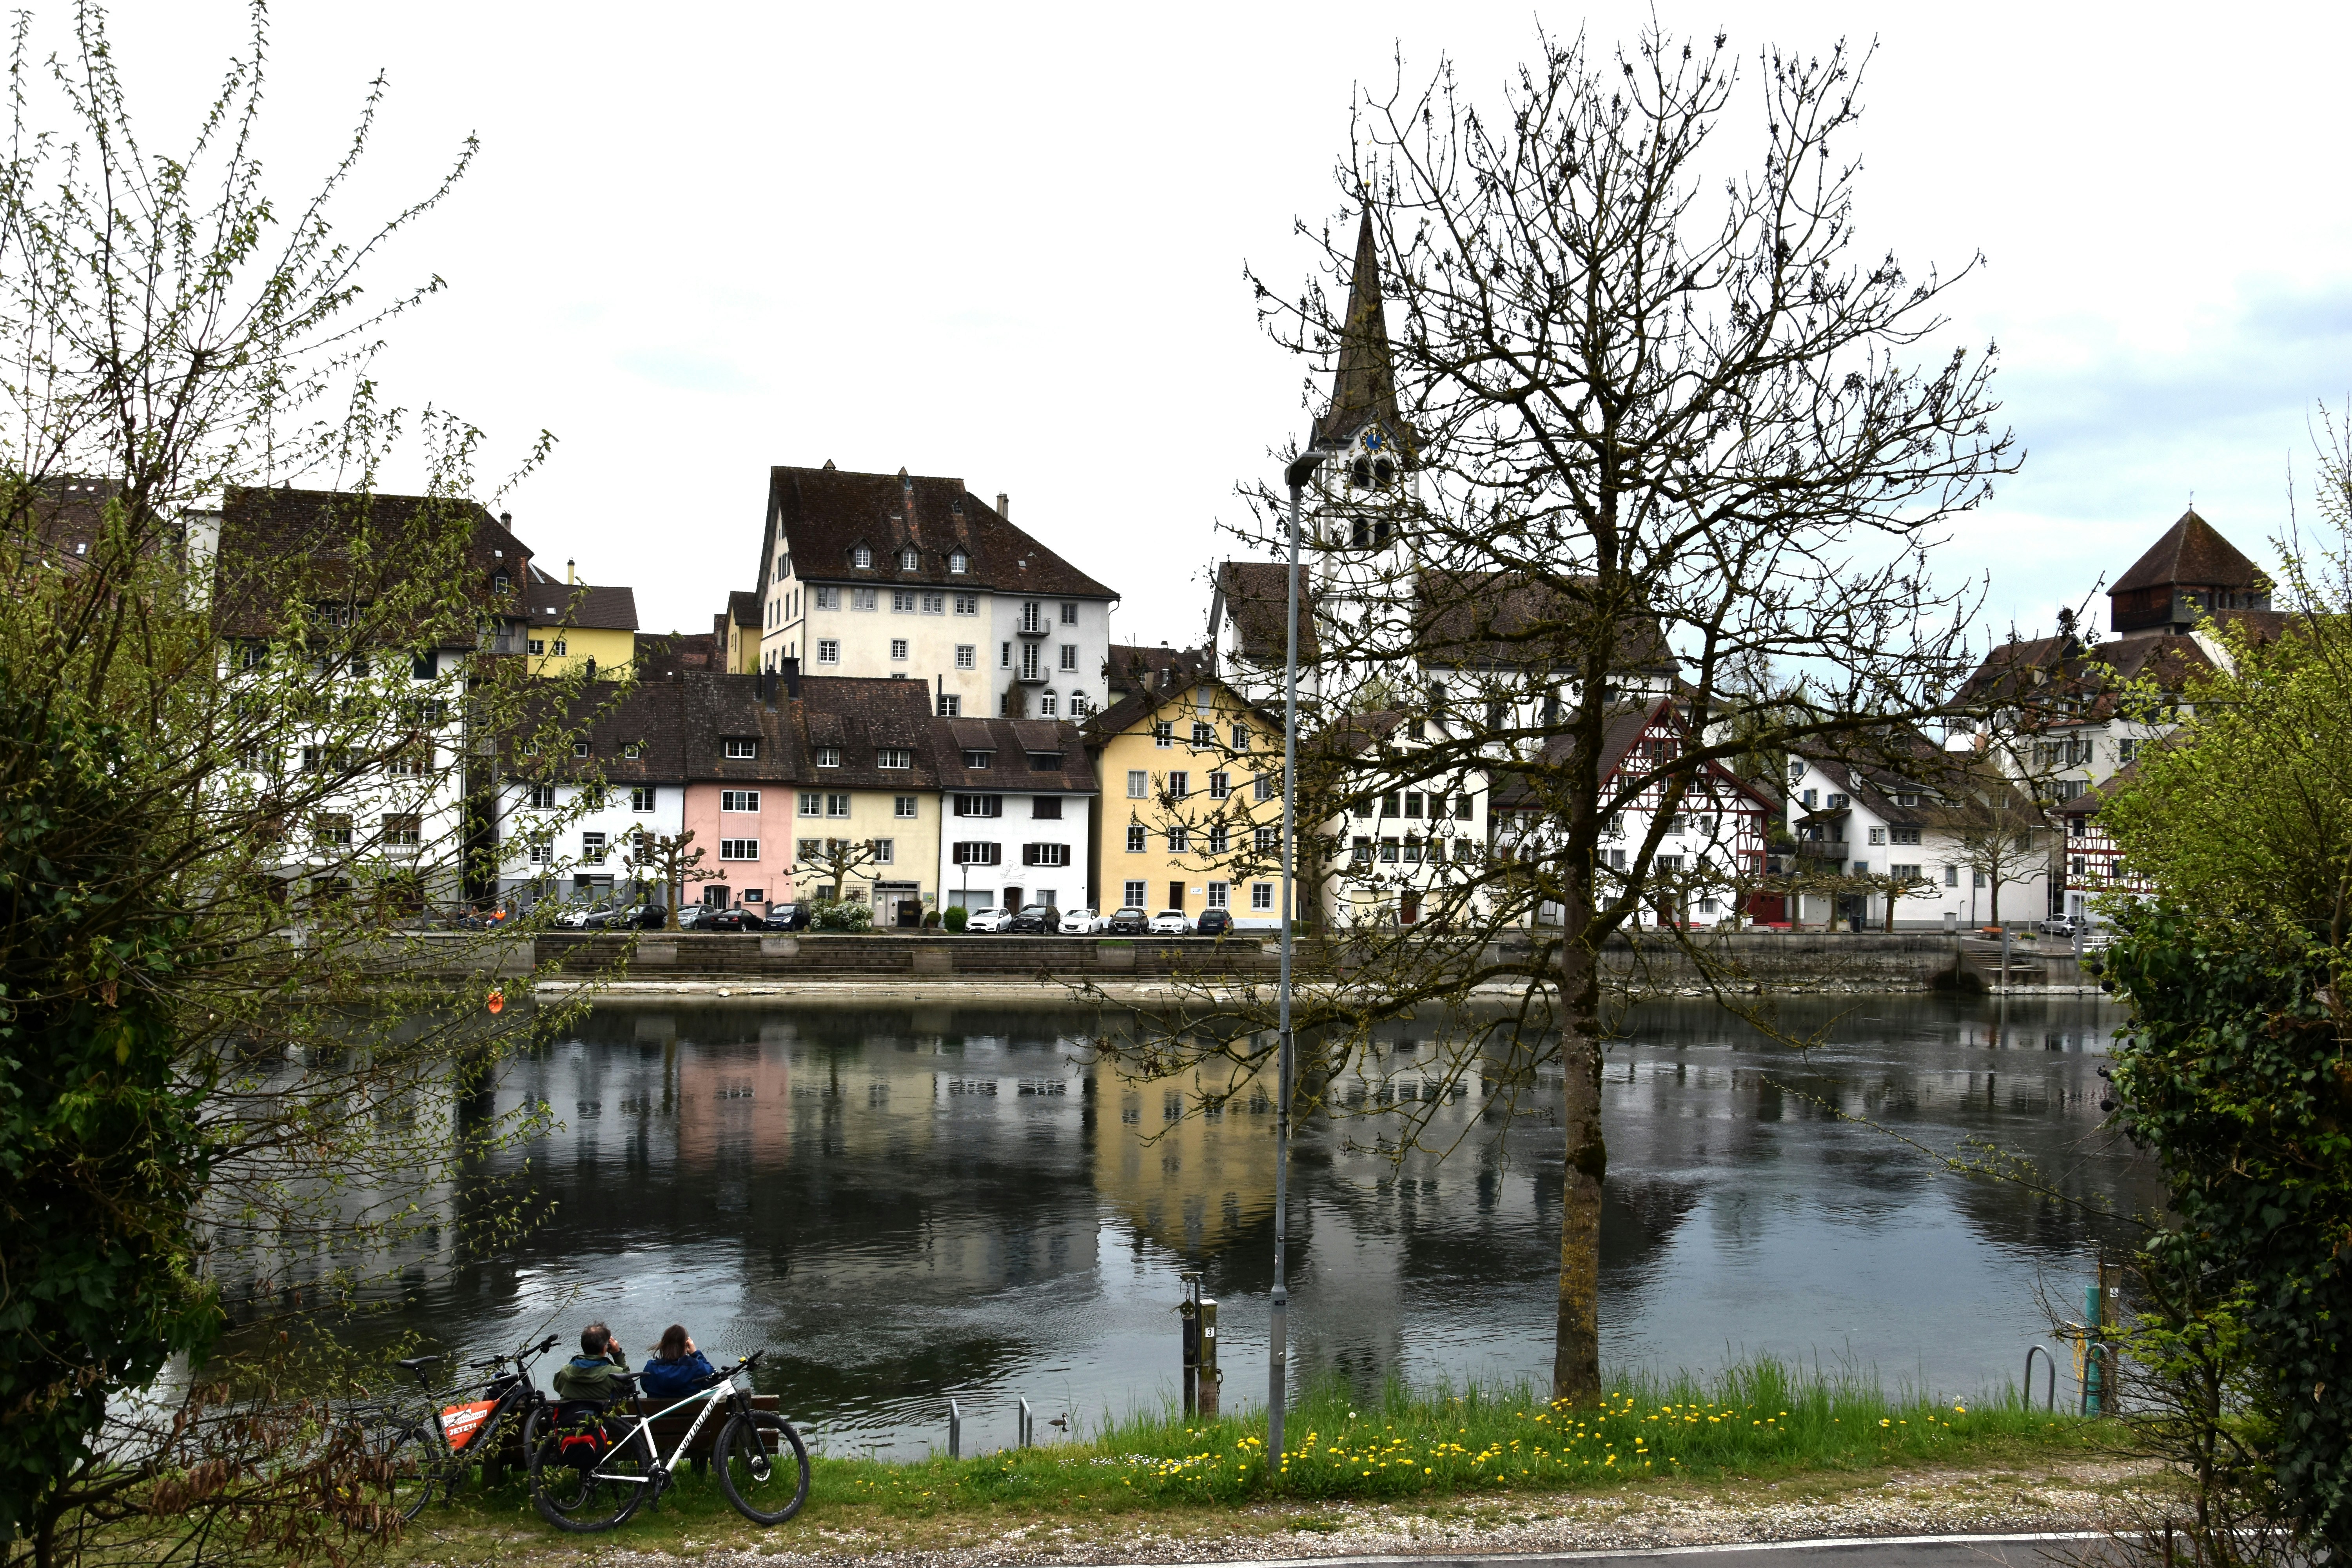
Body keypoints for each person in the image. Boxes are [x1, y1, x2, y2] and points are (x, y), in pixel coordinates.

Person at [552, 1322, 632, 1403]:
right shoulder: (616, 1374)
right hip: (604, 1416)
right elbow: (629, 1389)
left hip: (570, 1415)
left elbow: (558, 1387)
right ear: (605, 1348)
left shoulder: (564, 1372)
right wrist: (618, 1355)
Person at [637, 1323, 717, 1401]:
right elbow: (715, 1380)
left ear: (663, 1345)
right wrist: (696, 1354)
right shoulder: (696, 1367)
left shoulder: (650, 1368)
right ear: (687, 1345)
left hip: (656, 1414)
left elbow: (645, 1387)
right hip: (692, 1414)